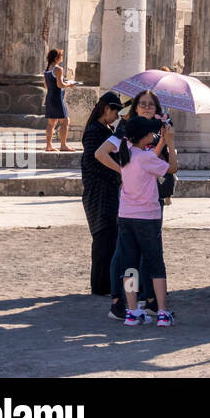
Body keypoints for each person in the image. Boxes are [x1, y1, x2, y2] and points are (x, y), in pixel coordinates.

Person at [109, 115, 177, 327]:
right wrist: (171, 144)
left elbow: (149, 162)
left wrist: (161, 143)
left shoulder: (127, 153)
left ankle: (132, 311)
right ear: (144, 136)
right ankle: (163, 312)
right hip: (147, 217)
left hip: (126, 216)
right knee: (156, 264)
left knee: (129, 266)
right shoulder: (144, 158)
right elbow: (171, 168)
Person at [79, 91, 124, 297]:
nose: (116, 116)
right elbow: (92, 161)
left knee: (109, 237)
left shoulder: (103, 129)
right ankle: (99, 285)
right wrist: (118, 170)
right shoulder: (94, 132)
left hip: (108, 189)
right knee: (102, 237)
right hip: (98, 191)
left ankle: (105, 283)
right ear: (107, 109)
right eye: (115, 112)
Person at [43, 48, 75, 153]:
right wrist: (69, 84)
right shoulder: (58, 69)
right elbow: (60, 85)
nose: (62, 58)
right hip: (57, 97)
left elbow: (46, 85)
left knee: (51, 123)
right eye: (61, 56)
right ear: (57, 58)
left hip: (49, 97)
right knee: (65, 122)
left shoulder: (47, 70)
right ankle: (63, 145)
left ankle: (48, 145)